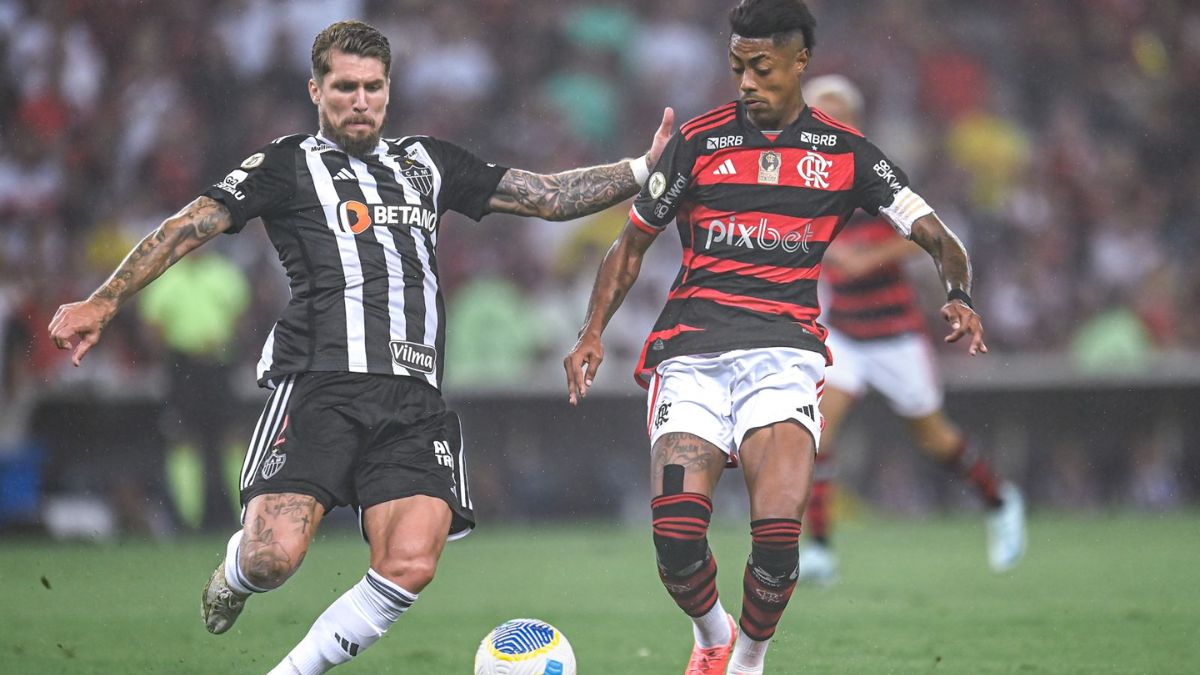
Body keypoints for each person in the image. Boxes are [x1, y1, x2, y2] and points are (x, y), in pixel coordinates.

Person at [48, 20, 672, 674]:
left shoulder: (428, 161)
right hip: (320, 387)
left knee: (410, 561)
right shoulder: (286, 164)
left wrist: (641, 167)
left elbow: (544, 196)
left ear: (389, 91)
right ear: (316, 90)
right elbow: (188, 226)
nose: (360, 100)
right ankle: (236, 572)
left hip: (414, 400)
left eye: (373, 86)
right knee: (273, 558)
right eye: (345, 87)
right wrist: (106, 299)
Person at [562, 2, 987, 673]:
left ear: (800, 64)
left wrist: (959, 293)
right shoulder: (699, 142)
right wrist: (591, 331)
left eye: (761, 68)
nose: (747, 82)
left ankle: (748, 662)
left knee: (778, 541)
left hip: (783, 360)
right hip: (692, 355)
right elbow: (631, 242)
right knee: (675, 538)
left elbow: (937, 234)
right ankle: (712, 637)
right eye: (737, 67)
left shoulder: (845, 155)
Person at [795, 74, 1026, 586]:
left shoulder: (875, 175)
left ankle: (1000, 498)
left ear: (852, 121)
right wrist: (836, 254)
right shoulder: (803, 181)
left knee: (934, 438)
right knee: (815, 434)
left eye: (833, 112)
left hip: (895, 334)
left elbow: (928, 235)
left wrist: (866, 257)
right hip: (844, 336)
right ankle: (820, 550)